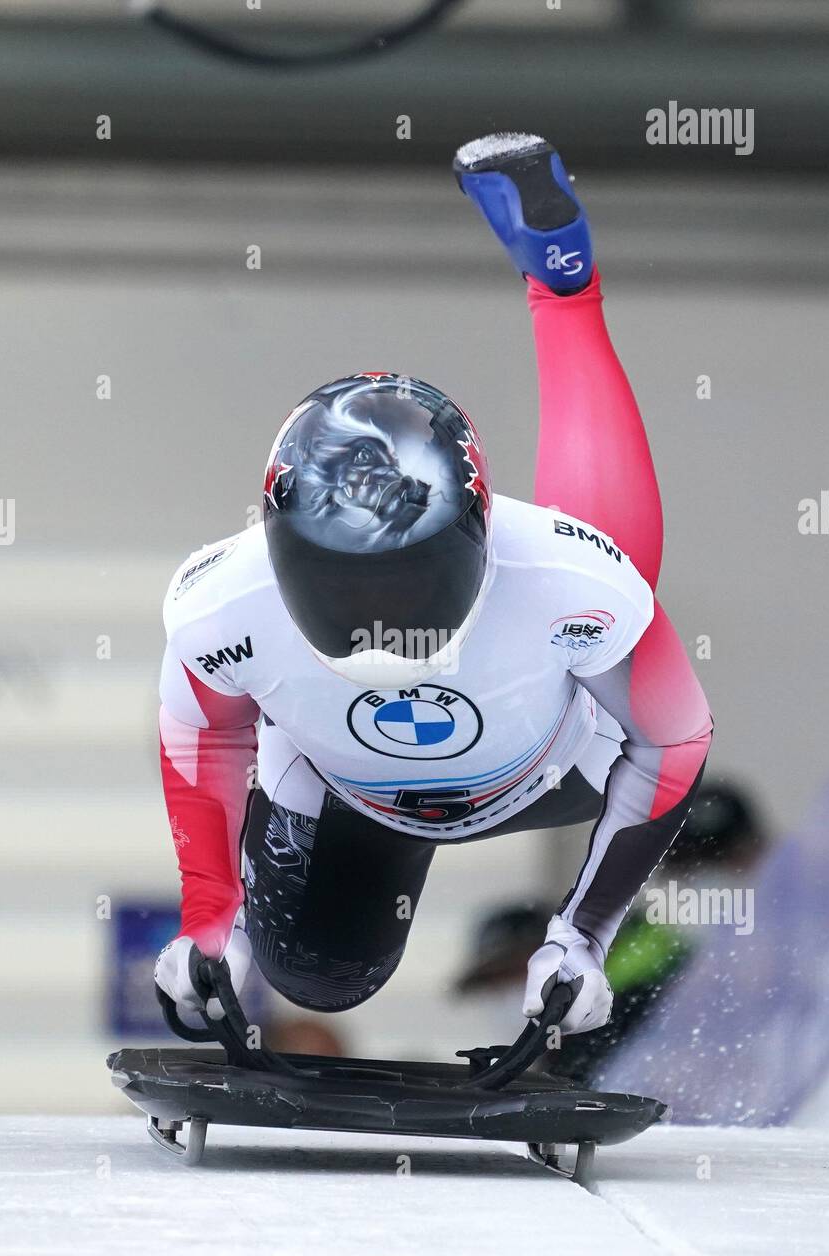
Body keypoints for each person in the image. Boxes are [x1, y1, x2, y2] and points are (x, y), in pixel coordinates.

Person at [153, 133, 713, 1040]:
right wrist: (210, 924)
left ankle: (562, 286)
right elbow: (207, 744)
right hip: (353, 797)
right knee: (317, 979)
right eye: (342, 585)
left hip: (555, 770)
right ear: (275, 551)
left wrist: (582, 938)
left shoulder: (559, 577)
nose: (381, 628)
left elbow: (671, 739)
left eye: (410, 581)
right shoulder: (220, 605)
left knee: (606, 578)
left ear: (480, 537)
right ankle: (561, 291)